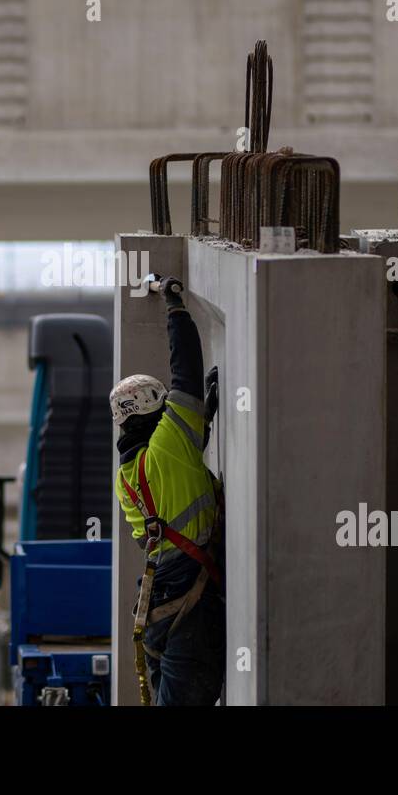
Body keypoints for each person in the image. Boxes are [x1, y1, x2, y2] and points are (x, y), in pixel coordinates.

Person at [110, 276, 224, 705]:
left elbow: (150, 529)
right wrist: (174, 306)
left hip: (158, 605)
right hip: (187, 599)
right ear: (155, 411)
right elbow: (187, 372)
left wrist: (201, 423)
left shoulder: (125, 477)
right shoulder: (167, 443)